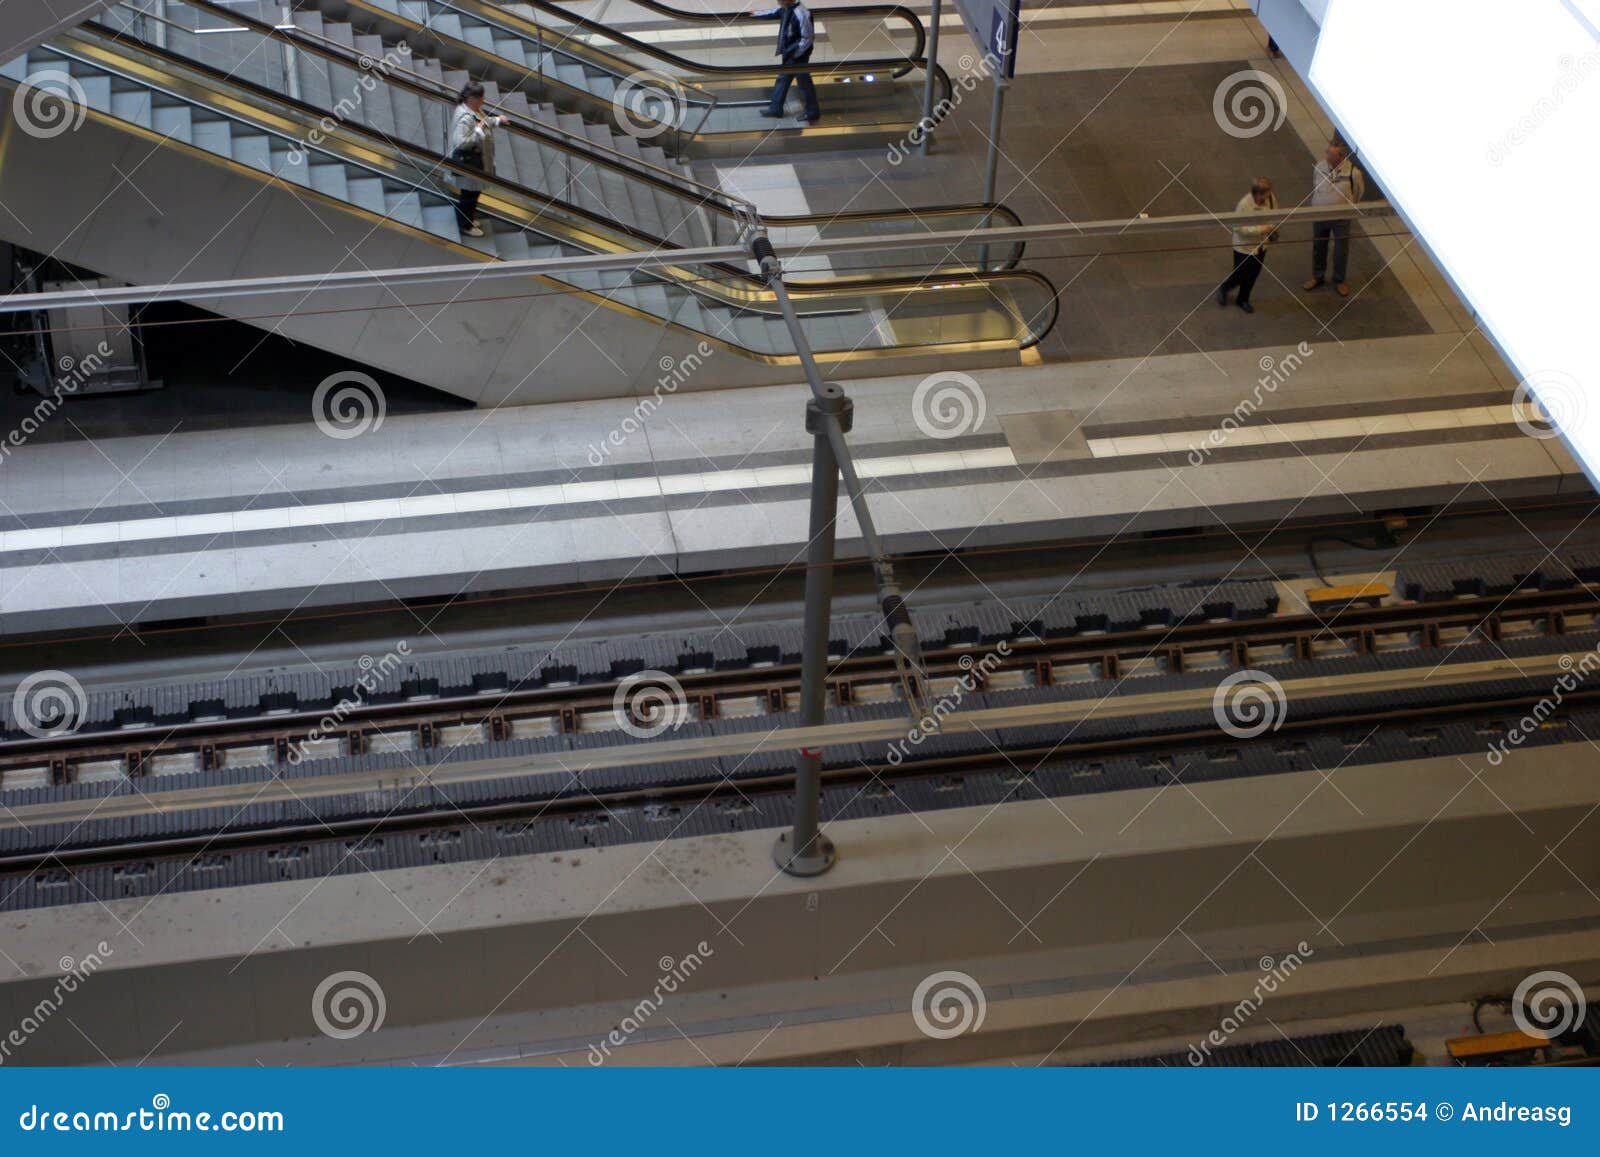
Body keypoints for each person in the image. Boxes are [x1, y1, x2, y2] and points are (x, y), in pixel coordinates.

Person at [1303, 138, 1364, 297]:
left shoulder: (1353, 173)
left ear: (1341, 157)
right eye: (1327, 152)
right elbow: (1315, 187)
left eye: (1331, 154)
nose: (1327, 156)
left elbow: (1358, 193)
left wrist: (1346, 207)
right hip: (1319, 215)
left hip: (1341, 218)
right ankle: (1318, 276)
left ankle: (1339, 280)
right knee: (1319, 246)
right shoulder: (1319, 166)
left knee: (1340, 250)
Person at [448, 82, 508, 238]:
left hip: (474, 162)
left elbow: (483, 120)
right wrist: (479, 131)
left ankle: (466, 219)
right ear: (473, 98)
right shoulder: (465, 117)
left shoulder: (471, 110)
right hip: (471, 164)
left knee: (470, 194)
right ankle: (465, 225)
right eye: (481, 98)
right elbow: (461, 142)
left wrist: (496, 120)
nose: (484, 100)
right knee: (469, 196)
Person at [747, 0, 820, 125]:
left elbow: (807, 37)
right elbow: (773, 12)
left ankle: (812, 111)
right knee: (785, 79)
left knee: (802, 83)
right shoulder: (786, 8)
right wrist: (757, 14)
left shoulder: (801, 13)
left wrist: (796, 54)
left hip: (797, 55)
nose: (778, 1)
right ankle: (776, 108)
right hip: (790, 53)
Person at [1216, 177, 1278, 314]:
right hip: (1244, 247)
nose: (1269, 197)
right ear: (1257, 194)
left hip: (1261, 245)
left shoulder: (1271, 198)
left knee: (1253, 274)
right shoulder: (1244, 205)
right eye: (1266, 194)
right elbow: (1238, 228)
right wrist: (1261, 230)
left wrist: (1271, 227)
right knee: (1241, 273)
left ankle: (1243, 299)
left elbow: (1275, 215)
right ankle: (1224, 288)